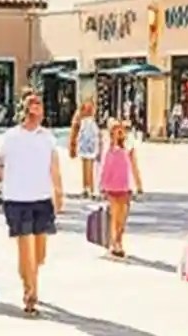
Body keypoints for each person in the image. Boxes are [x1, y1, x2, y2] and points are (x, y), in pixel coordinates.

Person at [0, 90, 63, 316]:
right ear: (25, 110)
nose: (37, 110)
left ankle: (30, 275)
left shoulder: (47, 137)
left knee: (39, 253)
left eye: (39, 106)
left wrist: (58, 193)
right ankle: (30, 292)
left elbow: (54, 167)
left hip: (42, 198)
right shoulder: (11, 136)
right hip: (16, 198)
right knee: (26, 247)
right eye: (33, 106)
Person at [99, 119, 144, 258]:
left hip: (125, 187)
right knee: (114, 216)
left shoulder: (129, 148)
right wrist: (101, 185)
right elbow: (104, 168)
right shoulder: (108, 149)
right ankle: (115, 243)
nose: (119, 133)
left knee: (122, 217)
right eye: (115, 131)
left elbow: (135, 167)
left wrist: (139, 184)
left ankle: (119, 239)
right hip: (111, 187)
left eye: (121, 130)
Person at [69, 101, 101, 199]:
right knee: (87, 166)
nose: (92, 110)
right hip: (86, 146)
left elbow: (98, 135)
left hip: (89, 145)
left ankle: (89, 188)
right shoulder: (82, 120)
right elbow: (74, 132)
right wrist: (72, 145)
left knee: (89, 166)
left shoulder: (89, 121)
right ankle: (88, 188)